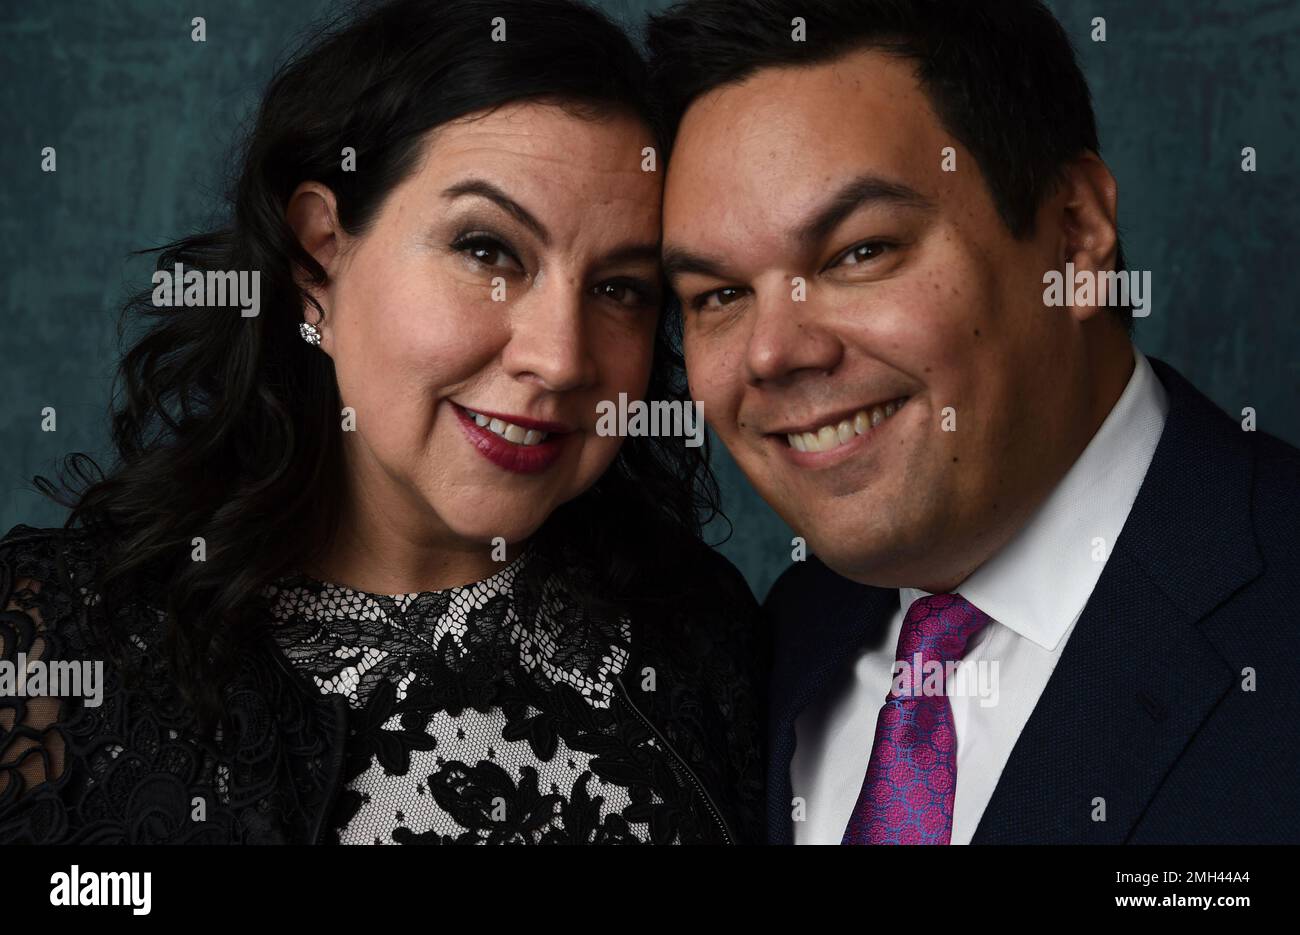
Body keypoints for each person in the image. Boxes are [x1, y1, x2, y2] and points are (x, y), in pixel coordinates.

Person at [0, 0, 764, 845]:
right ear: (318, 256)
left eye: (620, 287)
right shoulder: (55, 646)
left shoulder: (710, 643)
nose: (560, 358)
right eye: (487, 249)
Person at [647, 0, 1300, 843]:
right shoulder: (767, 649)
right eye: (721, 295)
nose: (773, 353)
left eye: (859, 252)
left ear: (1075, 236)